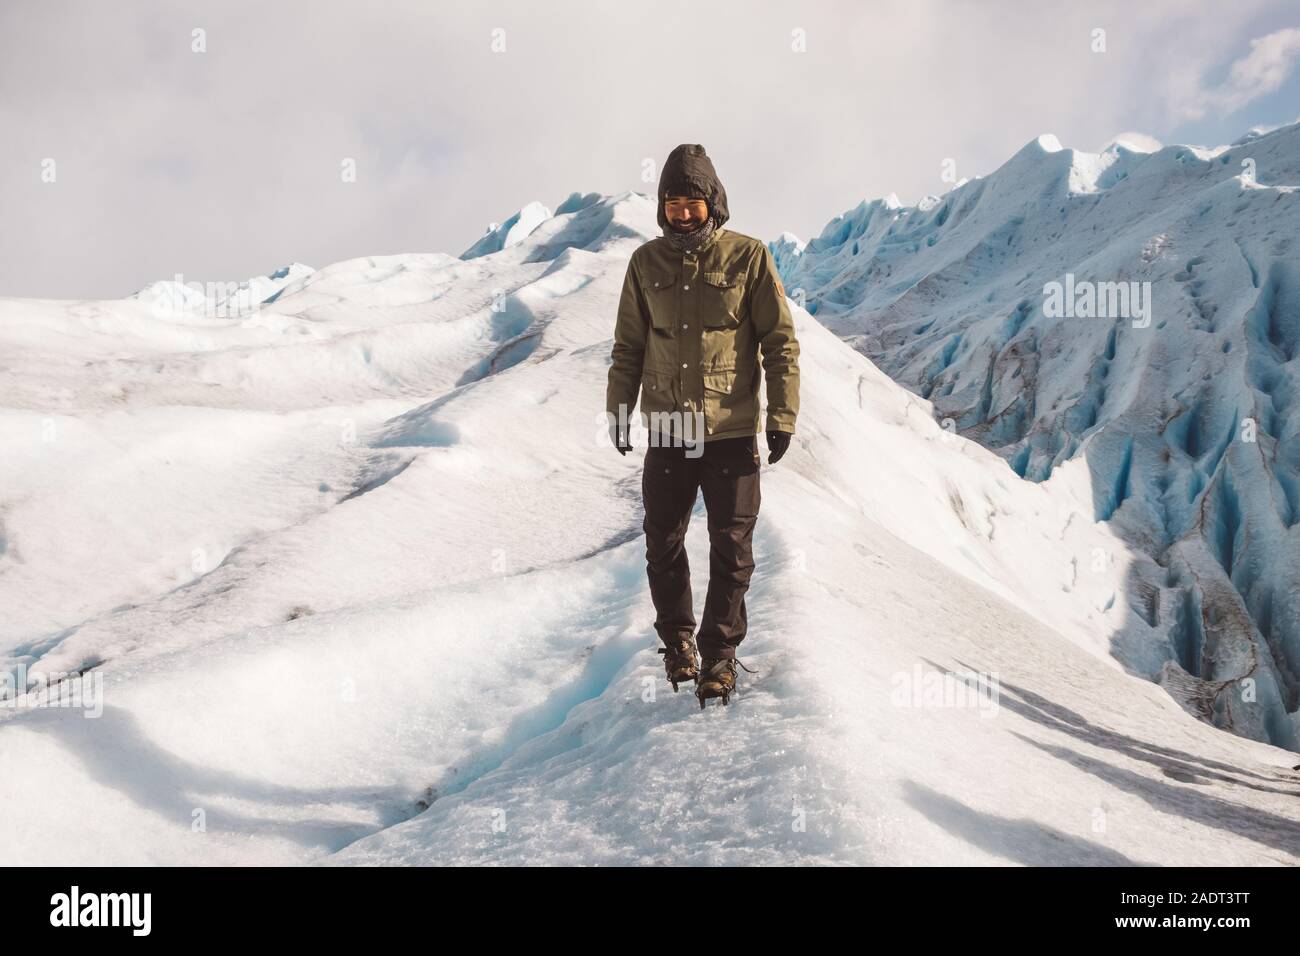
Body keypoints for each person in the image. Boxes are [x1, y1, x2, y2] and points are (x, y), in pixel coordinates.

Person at [605, 143, 800, 708]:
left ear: (712, 201)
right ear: (661, 207)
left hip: (731, 432)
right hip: (668, 431)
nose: (682, 213)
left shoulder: (748, 257)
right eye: (672, 203)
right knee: (662, 544)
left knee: (732, 547)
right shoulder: (645, 265)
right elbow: (628, 348)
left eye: (692, 201)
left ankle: (719, 656)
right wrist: (619, 412)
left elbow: (779, 344)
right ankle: (679, 644)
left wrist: (781, 417)